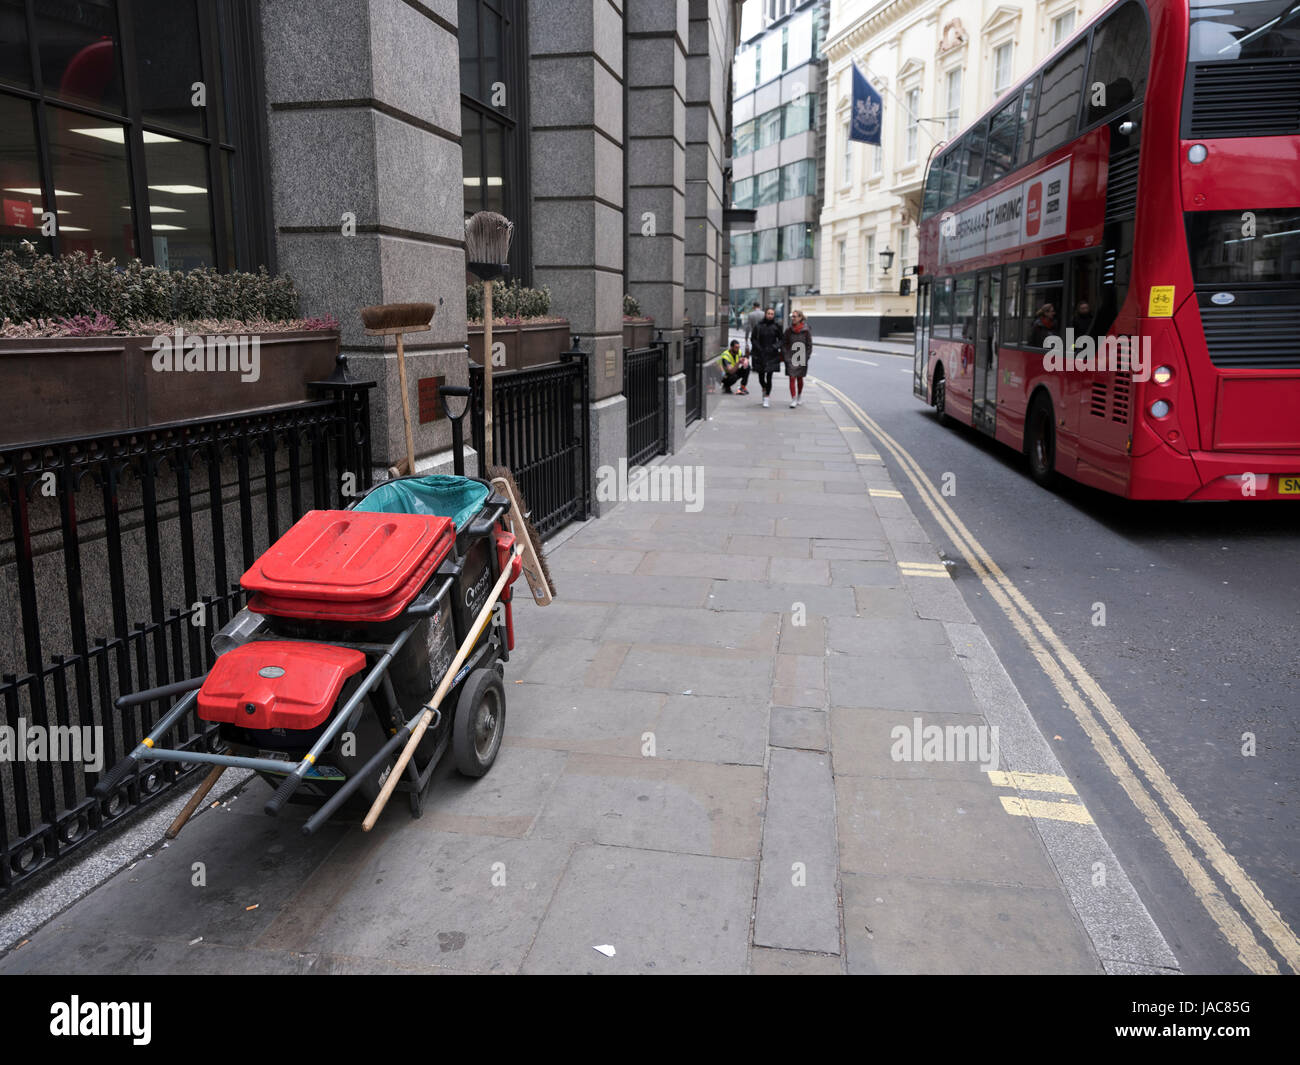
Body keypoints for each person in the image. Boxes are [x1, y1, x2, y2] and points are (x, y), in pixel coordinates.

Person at [751, 307, 784, 408]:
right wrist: (759, 348)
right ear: (765, 314)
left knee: (769, 377)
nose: (770, 315)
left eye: (772, 314)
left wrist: (775, 347)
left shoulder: (777, 326)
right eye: (768, 313)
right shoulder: (758, 326)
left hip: (772, 355)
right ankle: (764, 389)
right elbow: (753, 339)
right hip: (760, 354)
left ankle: (766, 398)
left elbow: (781, 340)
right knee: (761, 378)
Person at [782, 309, 813, 407]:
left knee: (799, 378)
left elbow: (809, 345)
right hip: (791, 356)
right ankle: (793, 399)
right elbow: (784, 343)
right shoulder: (788, 330)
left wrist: (806, 356)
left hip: (801, 356)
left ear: (800, 318)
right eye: (792, 316)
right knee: (792, 378)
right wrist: (786, 356)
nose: (793, 318)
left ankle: (799, 395)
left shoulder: (806, 330)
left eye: (795, 316)